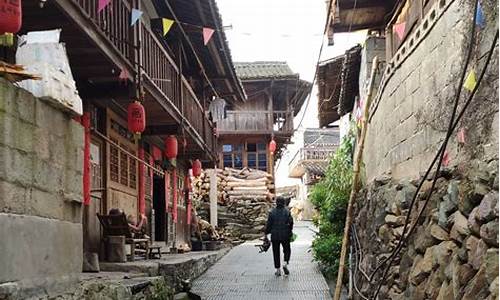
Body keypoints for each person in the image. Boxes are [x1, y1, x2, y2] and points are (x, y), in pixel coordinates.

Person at [265, 196, 294, 276]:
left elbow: (269, 225)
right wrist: (290, 230)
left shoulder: (272, 212)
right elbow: (291, 222)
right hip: (285, 235)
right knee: (287, 250)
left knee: (276, 252)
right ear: (284, 202)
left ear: (276, 202)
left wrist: (266, 233)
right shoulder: (287, 211)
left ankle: (278, 270)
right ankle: (285, 263)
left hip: (275, 236)